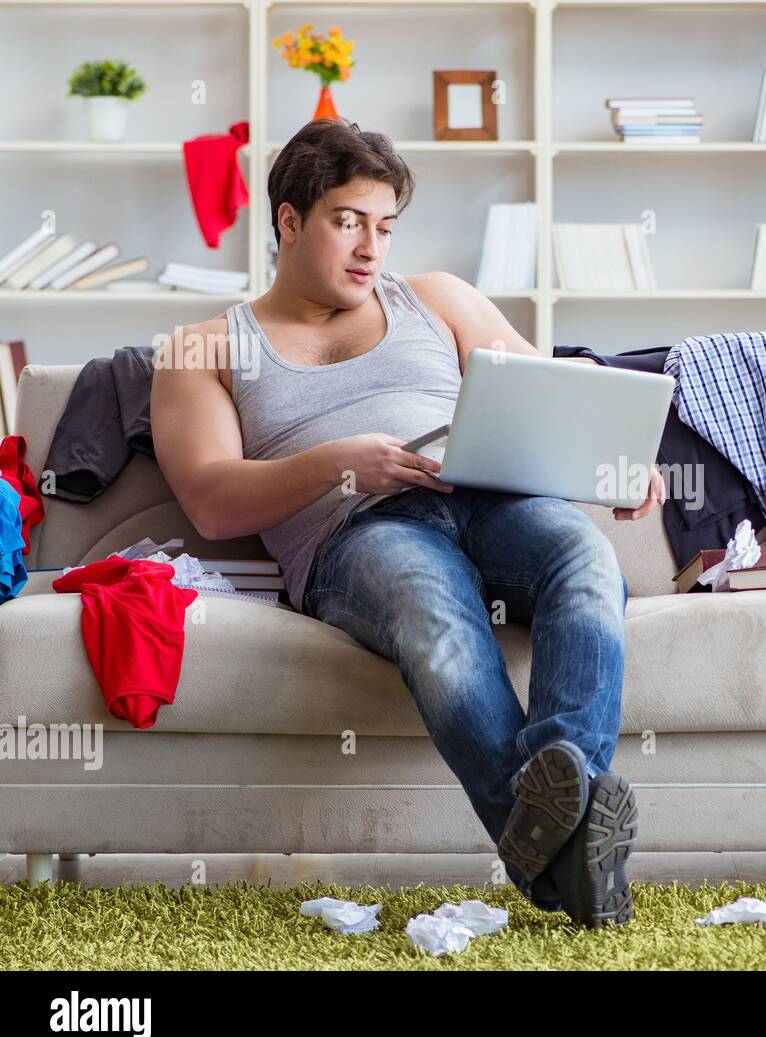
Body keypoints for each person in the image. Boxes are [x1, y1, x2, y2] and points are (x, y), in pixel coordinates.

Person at [151, 119, 665, 928]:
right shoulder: (204, 346)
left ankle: (557, 827)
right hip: (359, 532)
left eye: (383, 227)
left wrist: (618, 461)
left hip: (493, 497)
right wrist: (339, 464)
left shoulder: (435, 296)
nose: (370, 248)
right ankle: (569, 861)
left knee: (587, 560)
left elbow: (555, 392)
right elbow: (213, 498)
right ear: (288, 220)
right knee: (436, 618)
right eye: (347, 221)